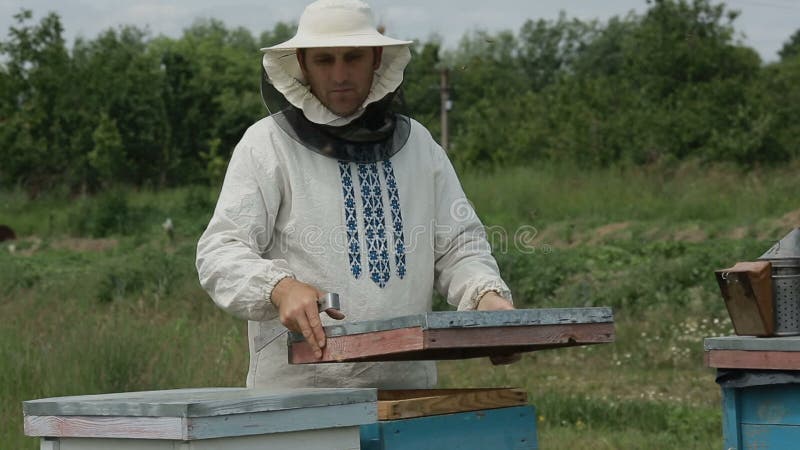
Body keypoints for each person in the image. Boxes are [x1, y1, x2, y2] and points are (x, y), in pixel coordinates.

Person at [196, 0, 516, 390]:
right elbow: (220, 252)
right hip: (298, 401)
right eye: (325, 60)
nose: (340, 74)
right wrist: (280, 288)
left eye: (353, 57)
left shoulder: (420, 145)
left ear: (376, 57)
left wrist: (487, 299)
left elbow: (459, 247)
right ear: (302, 62)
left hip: (408, 393)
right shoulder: (266, 145)